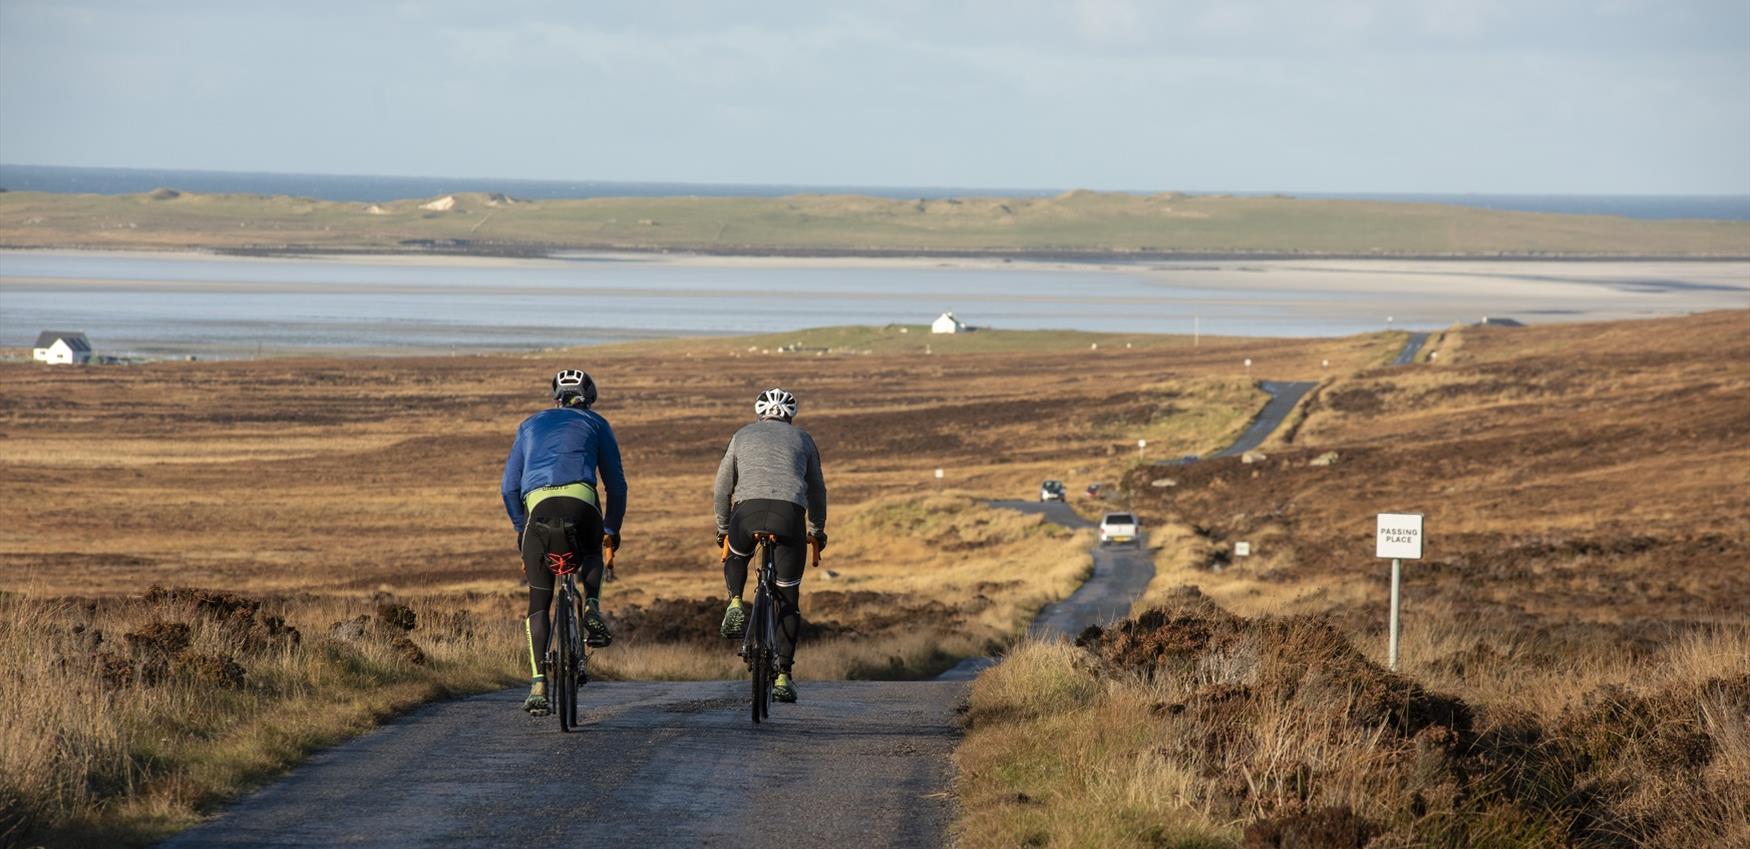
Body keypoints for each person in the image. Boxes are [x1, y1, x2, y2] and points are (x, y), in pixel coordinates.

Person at [502, 369, 627, 715]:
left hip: (537, 510)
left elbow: (508, 488)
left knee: (539, 602)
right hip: (581, 502)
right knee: (590, 550)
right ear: (589, 399)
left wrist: (520, 528)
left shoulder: (528, 425)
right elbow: (616, 485)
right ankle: (592, 606)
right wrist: (612, 530)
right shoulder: (597, 424)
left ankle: (538, 683)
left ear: (555, 398)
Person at [713, 387, 827, 703]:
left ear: (759, 413)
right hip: (790, 516)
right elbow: (817, 492)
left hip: (746, 513)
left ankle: (735, 601)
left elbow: (722, 489)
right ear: (790, 416)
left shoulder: (741, 436)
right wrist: (817, 531)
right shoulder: (804, 440)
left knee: (736, 553)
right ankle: (783, 677)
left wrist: (723, 529)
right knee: (788, 597)